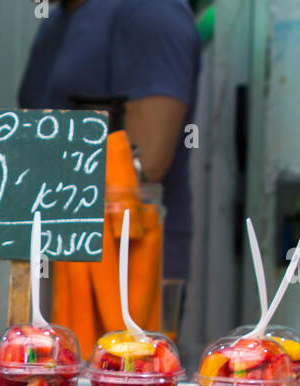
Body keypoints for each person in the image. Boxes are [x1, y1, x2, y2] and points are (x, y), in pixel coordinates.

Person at [19, 0, 200, 352]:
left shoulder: (152, 12)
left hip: (124, 270)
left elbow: (146, 159)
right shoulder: (55, 21)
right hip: (50, 270)